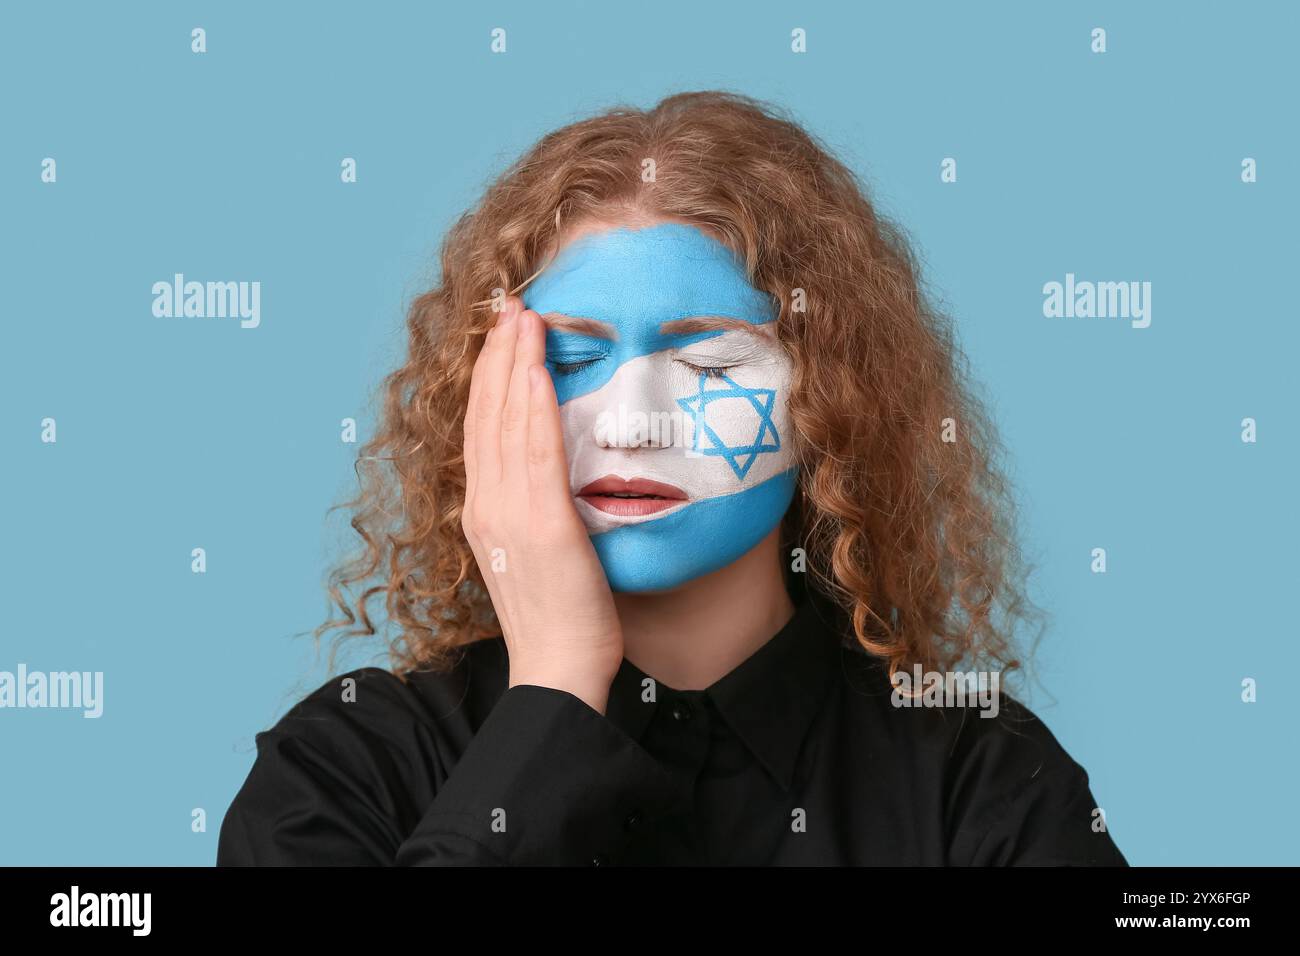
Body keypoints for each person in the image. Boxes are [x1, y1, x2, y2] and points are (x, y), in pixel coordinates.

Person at [216, 90, 1127, 866]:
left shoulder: (984, 780)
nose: (634, 419)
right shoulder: (347, 767)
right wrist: (558, 685)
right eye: (571, 359)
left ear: (835, 400)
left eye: (710, 363)